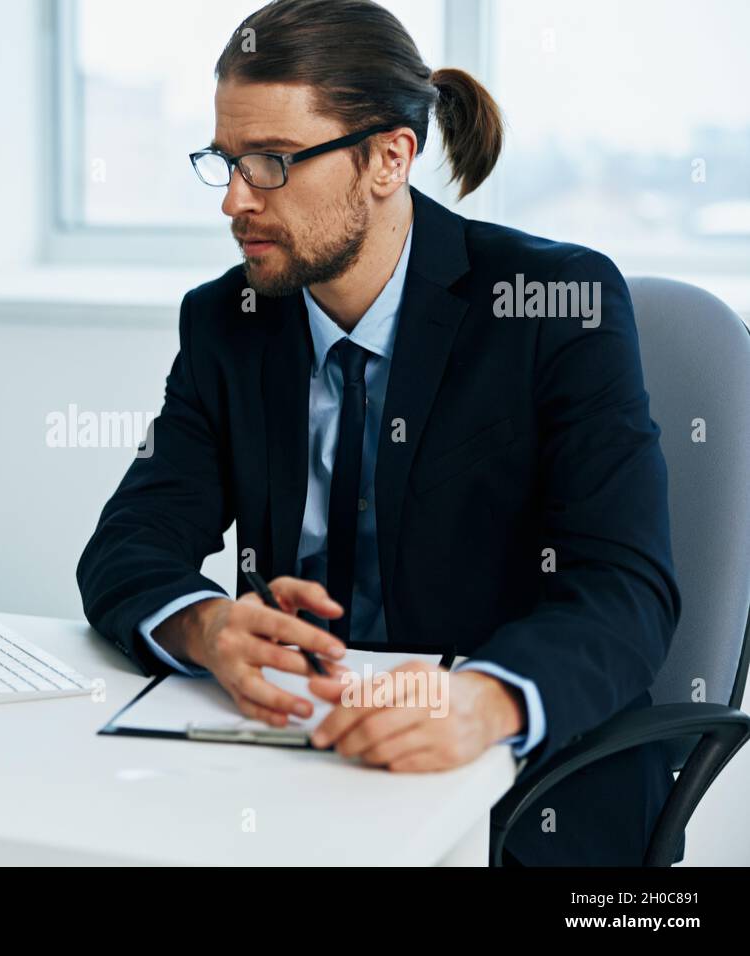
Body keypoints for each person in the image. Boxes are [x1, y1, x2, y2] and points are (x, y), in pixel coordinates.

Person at [76, 0, 680, 866]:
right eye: (226, 162)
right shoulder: (227, 320)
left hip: (517, 786)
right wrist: (205, 626)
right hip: (297, 768)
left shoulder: (553, 305)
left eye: (273, 163)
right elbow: (128, 544)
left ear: (389, 158)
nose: (236, 201)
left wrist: (484, 699)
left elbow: (625, 588)